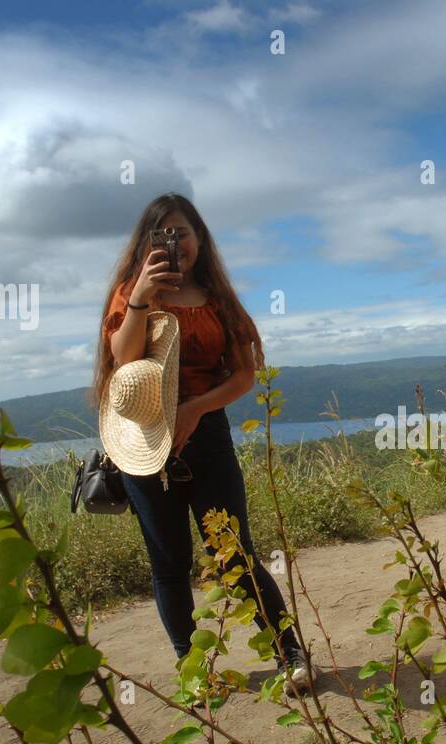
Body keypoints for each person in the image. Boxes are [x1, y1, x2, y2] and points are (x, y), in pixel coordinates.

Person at [91, 193, 312, 692]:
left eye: (182, 232)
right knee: (169, 561)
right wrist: (143, 296)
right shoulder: (131, 293)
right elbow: (123, 359)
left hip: (206, 432)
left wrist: (195, 408)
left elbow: (243, 375)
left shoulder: (217, 299)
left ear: (200, 238)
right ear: (146, 243)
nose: (174, 244)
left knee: (234, 552)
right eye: (162, 234)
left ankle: (289, 653)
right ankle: (194, 670)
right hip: (144, 434)